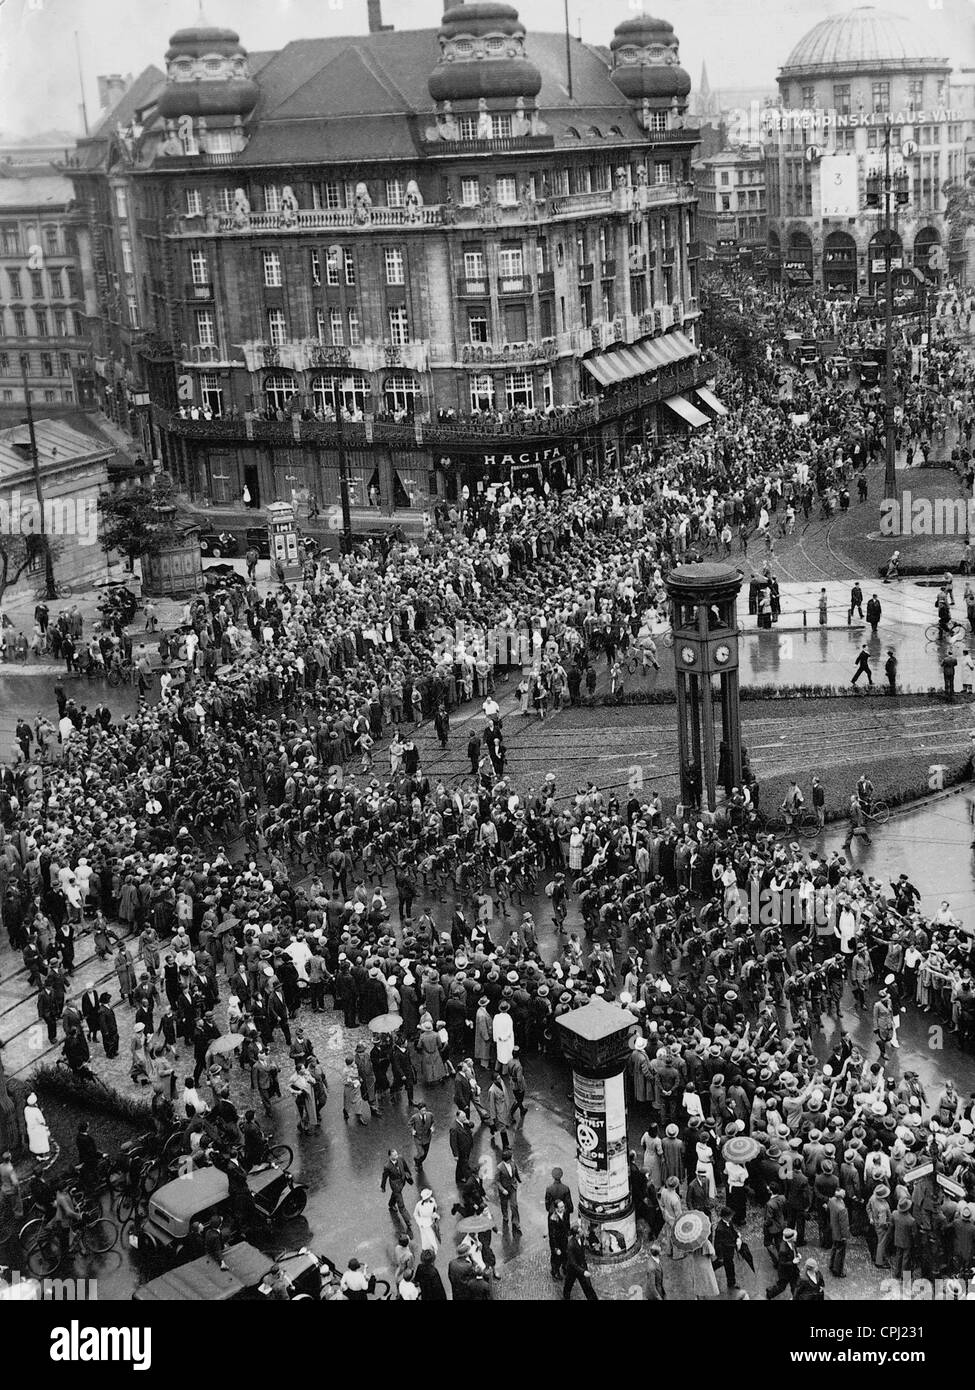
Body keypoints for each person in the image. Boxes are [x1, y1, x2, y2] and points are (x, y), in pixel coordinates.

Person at [380, 1148, 414, 1234]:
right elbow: (384, 1177)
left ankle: (391, 1204)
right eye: (394, 1155)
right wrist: (383, 1187)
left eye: (397, 1154)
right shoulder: (387, 1166)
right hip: (395, 1186)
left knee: (395, 1195)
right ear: (390, 1156)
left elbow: (405, 1167)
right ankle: (407, 1221)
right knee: (401, 1204)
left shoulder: (401, 1158)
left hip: (402, 1182)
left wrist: (409, 1175)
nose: (397, 1156)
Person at [563, 1223, 598, 1301]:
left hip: (582, 1266)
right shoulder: (570, 1245)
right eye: (580, 1231)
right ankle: (566, 1297)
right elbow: (573, 1263)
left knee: (588, 1286)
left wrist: (591, 1246)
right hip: (573, 1270)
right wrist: (583, 1272)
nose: (582, 1231)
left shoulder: (581, 1237)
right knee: (568, 1285)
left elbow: (584, 1247)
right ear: (576, 1235)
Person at [496, 1148, 522, 1234]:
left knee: (514, 1205)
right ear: (507, 1159)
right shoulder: (499, 1168)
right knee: (504, 1205)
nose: (511, 1159)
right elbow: (497, 1181)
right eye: (510, 1158)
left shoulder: (513, 1163)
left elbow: (516, 1172)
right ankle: (505, 1216)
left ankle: (516, 1222)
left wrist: (519, 1180)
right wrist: (502, 1190)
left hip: (512, 1187)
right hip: (504, 1189)